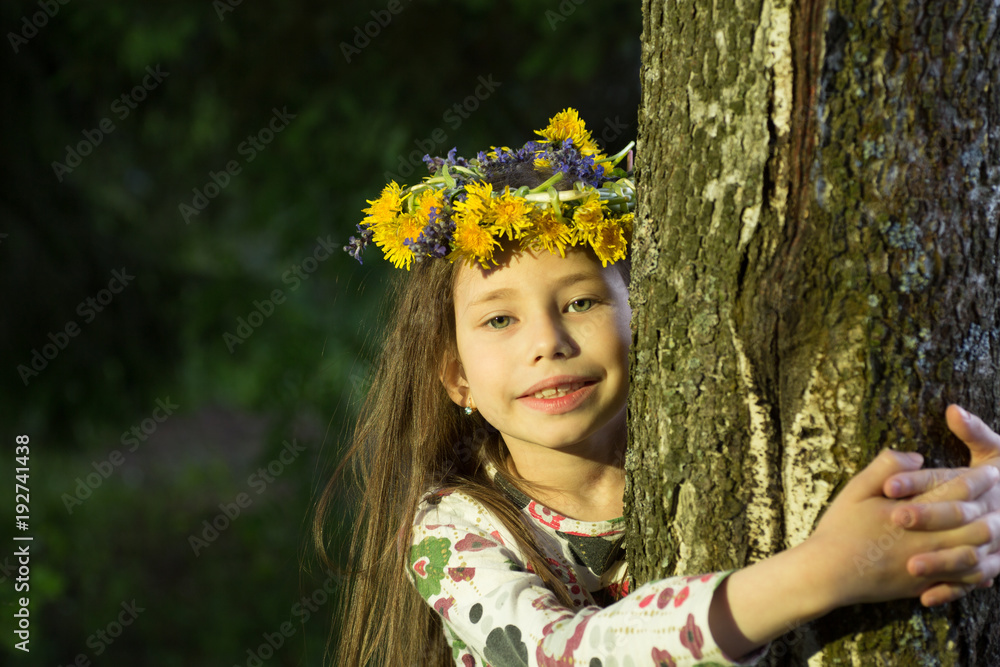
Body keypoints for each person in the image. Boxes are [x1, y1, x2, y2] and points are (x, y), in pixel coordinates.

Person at [317, 109, 1000, 666]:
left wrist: (975, 504)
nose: (547, 341)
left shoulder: (715, 425)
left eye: (580, 301)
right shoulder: (455, 532)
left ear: (647, 318)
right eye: (500, 318)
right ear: (456, 375)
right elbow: (572, 654)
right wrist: (822, 572)